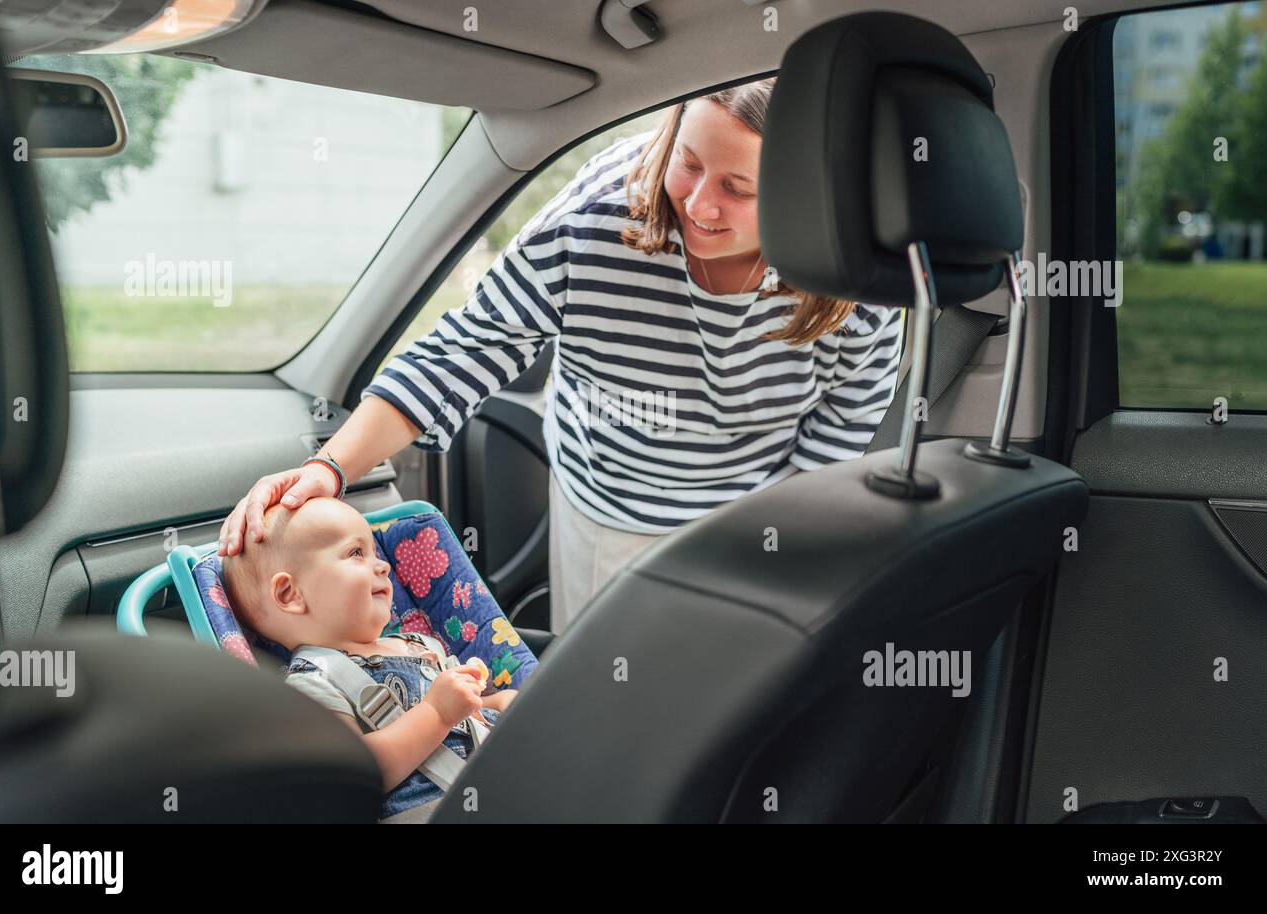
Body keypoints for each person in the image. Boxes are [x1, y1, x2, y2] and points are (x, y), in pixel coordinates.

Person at [219, 77, 902, 634]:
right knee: (608, 704)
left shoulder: (858, 279)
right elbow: (467, 347)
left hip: (753, 517)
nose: (698, 203)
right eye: (688, 162)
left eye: (738, 189)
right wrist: (331, 466)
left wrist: (768, 548)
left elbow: (840, 430)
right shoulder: (593, 221)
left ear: (806, 195)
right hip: (606, 504)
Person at [221, 497, 515, 821]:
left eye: (375, 552)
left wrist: (494, 704)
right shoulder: (310, 684)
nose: (383, 565)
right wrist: (436, 713)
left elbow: (461, 719)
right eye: (356, 553)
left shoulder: (418, 645)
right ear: (290, 594)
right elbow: (353, 775)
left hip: (503, 785)